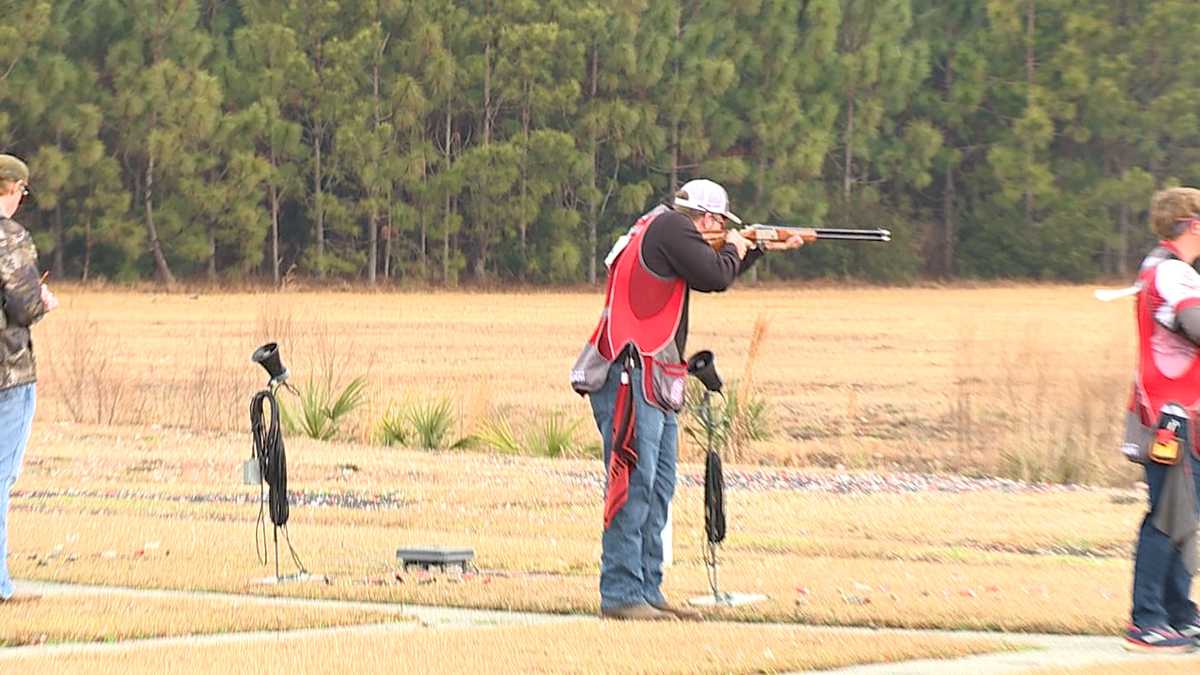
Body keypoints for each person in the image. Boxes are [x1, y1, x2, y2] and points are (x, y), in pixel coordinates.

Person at [570, 179, 802, 621]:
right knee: (634, 484)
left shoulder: (664, 228)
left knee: (659, 488)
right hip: (630, 372)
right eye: (718, 223)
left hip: (654, 374)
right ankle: (621, 593)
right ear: (708, 218)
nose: (718, 230)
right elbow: (714, 274)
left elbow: (711, 268)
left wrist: (757, 247)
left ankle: (647, 589)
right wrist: (739, 245)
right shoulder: (672, 227)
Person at [1122, 186, 1200, 651]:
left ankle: (1179, 613)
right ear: (1192, 224)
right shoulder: (1174, 273)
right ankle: (1146, 620)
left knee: (1186, 517)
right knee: (1169, 517)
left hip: (1180, 412)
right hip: (1171, 416)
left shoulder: (1166, 268)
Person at [0, 154, 57, 604]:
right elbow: (23, 306)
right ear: (12, 190)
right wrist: (44, 300)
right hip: (8, 373)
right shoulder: (11, 237)